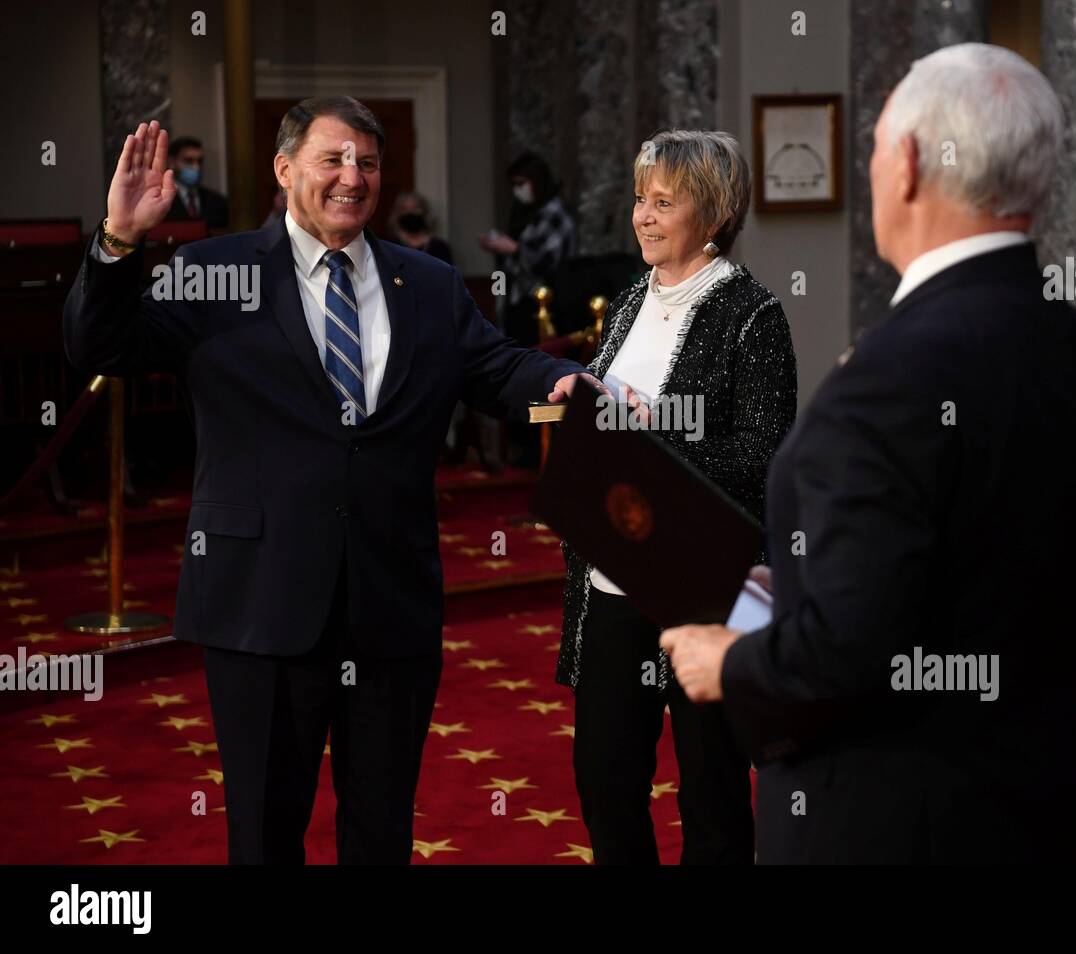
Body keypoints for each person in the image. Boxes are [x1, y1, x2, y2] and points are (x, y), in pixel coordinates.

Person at [64, 98, 595, 864]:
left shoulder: (431, 285)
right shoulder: (217, 273)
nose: (354, 178)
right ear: (285, 170)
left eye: (369, 163)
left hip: (390, 608)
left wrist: (567, 381)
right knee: (266, 832)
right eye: (334, 159)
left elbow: (501, 368)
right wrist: (119, 240)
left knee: (380, 833)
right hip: (260, 607)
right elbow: (96, 346)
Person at [662, 44, 1076, 864]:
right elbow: (975, 563)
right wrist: (802, 579)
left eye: (876, 146)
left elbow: (847, 654)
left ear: (908, 162)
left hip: (888, 823)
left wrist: (731, 662)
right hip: (1031, 810)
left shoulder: (888, 378)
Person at [556, 130, 798, 864]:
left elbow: (766, 457)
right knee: (604, 783)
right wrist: (582, 407)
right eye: (640, 199)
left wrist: (654, 435)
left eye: (665, 201)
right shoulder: (627, 303)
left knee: (713, 798)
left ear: (715, 213)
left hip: (704, 591)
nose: (643, 216)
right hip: (609, 580)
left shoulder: (753, 314)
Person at [478, 152, 576, 345]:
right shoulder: (525, 213)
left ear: (537, 182)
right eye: (514, 185)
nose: (518, 191)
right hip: (517, 300)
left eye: (521, 184)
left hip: (547, 303)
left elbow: (547, 263)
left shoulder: (555, 214)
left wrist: (514, 249)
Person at [165, 135, 229, 229]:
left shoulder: (218, 202)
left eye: (200, 161)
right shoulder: (163, 202)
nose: (196, 167)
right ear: (172, 163)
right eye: (188, 161)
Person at [388, 190, 453, 265]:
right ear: (397, 214)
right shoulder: (390, 246)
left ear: (424, 211)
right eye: (404, 209)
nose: (410, 212)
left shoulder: (440, 247)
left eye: (415, 208)